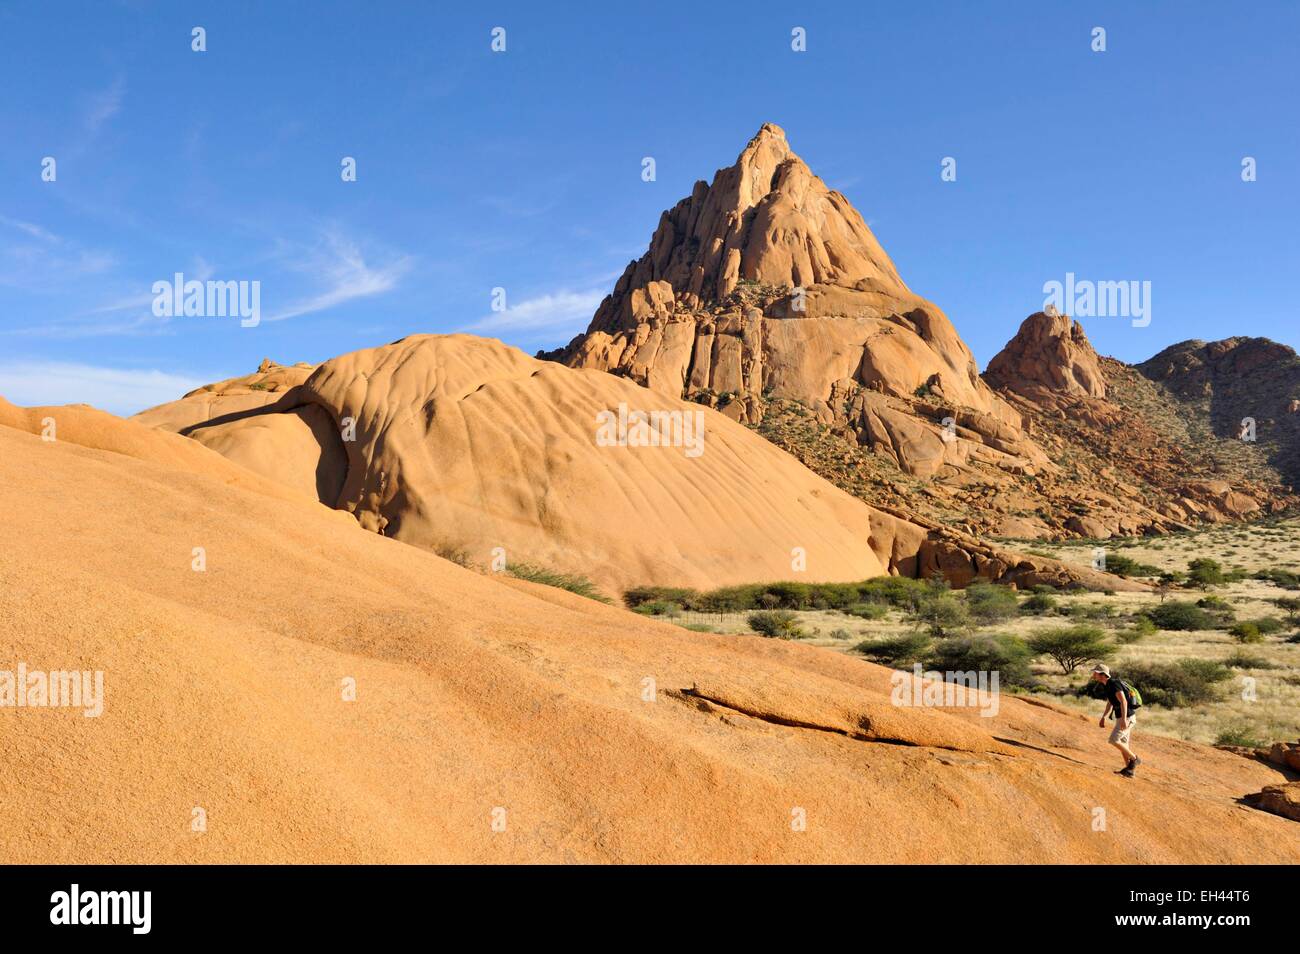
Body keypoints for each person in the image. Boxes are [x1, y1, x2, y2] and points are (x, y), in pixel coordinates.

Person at [1092, 664, 1142, 777]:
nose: (1093, 675)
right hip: (1122, 717)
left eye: (1095, 673)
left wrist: (1124, 719)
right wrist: (1104, 717)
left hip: (1127, 717)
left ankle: (1135, 759)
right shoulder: (1107, 685)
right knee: (1124, 744)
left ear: (1103, 675)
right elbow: (1110, 702)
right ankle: (1129, 771)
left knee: (1113, 740)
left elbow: (1123, 701)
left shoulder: (1114, 684)